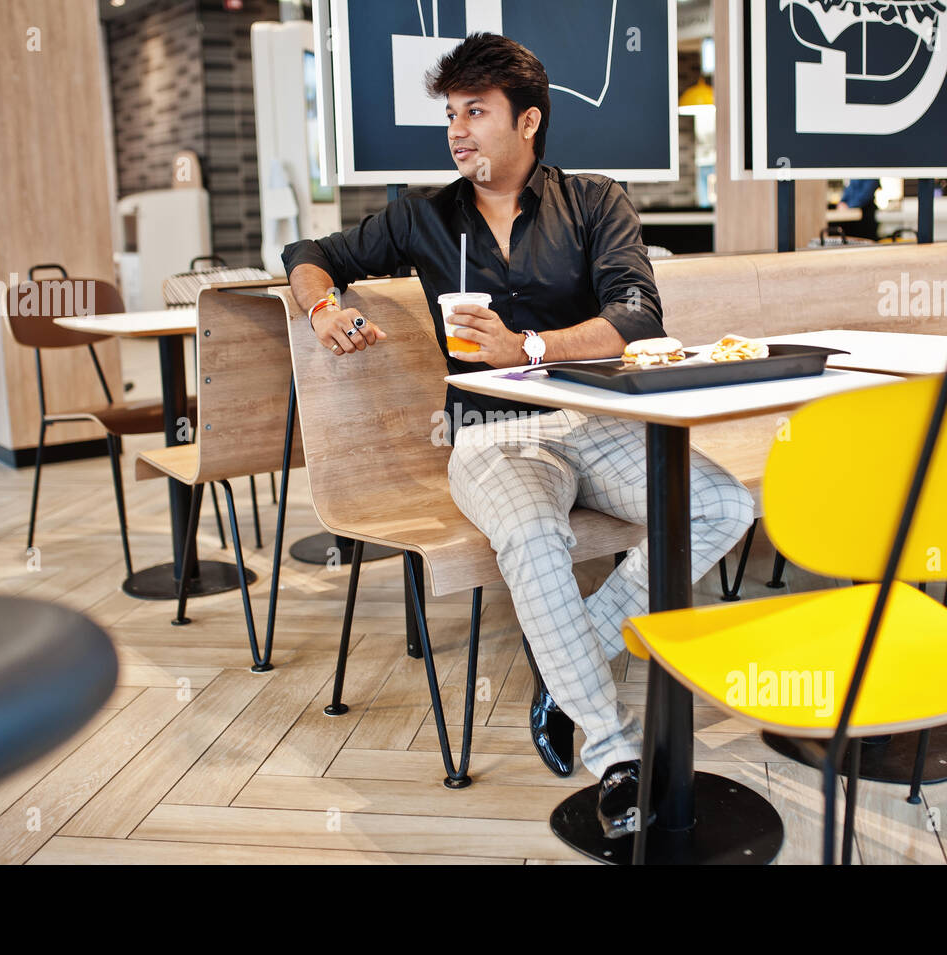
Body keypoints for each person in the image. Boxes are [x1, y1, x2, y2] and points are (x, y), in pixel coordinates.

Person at [281, 33, 753, 839]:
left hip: (596, 417)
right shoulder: (423, 217)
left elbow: (639, 316)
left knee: (721, 504)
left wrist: (529, 347)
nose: (458, 130)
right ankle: (612, 754)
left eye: (477, 111)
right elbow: (310, 253)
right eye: (451, 113)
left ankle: (566, 665)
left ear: (528, 121)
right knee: (534, 533)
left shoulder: (596, 202)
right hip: (491, 433)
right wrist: (323, 307)